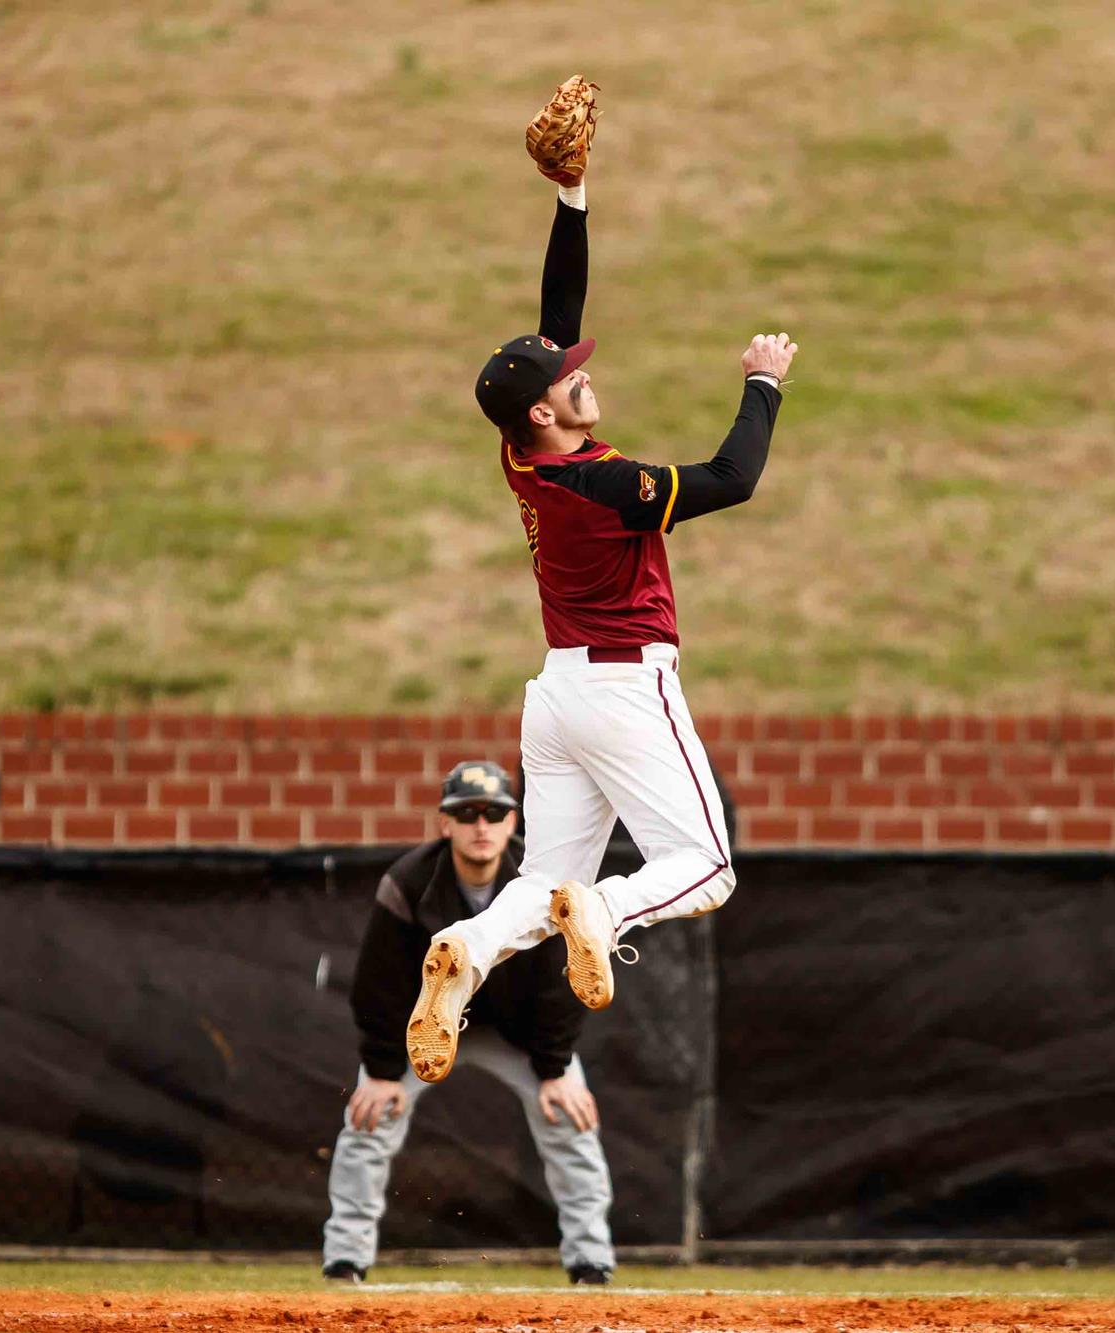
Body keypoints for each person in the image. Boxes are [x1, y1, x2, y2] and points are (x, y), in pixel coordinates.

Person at [404, 109, 798, 1083]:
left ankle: (467, 956)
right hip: (624, 688)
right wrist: (761, 385)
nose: (585, 377)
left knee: (543, 880)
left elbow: (559, 312)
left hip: (557, 698)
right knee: (704, 869)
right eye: (569, 382)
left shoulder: (525, 455)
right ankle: (609, 910)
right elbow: (731, 478)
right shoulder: (606, 488)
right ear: (542, 412)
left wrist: (569, 195)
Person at [323, 761, 615, 1285]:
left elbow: (563, 979)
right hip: (428, 1025)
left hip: (522, 1036)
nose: (481, 825)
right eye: (467, 813)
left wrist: (553, 1069)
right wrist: (383, 1069)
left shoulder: (545, 880)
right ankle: (345, 1261)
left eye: (495, 813)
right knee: (369, 1117)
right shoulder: (408, 883)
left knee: (571, 1112)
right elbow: (379, 986)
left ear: (512, 823)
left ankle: (590, 1262)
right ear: (445, 824)